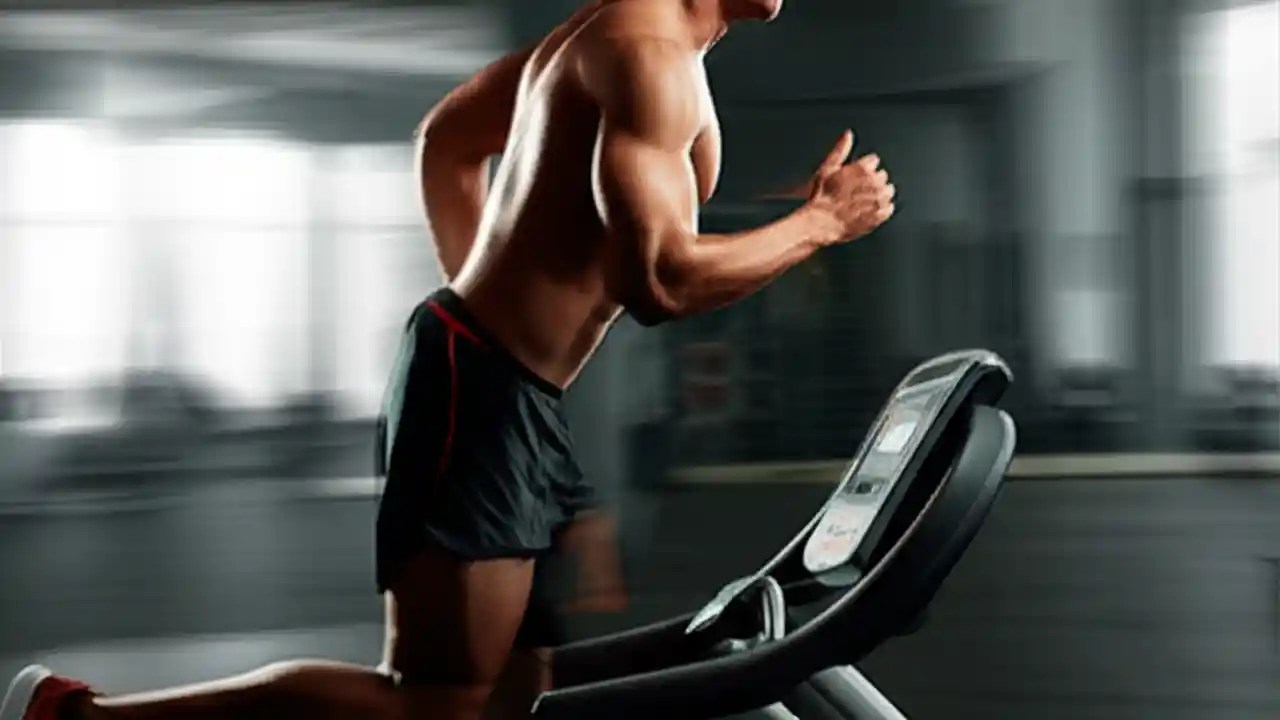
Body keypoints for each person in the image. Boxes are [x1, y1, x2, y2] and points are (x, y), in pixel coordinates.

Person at [0, 0, 895, 719]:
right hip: (484, 380)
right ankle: (78, 719)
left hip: (497, 377)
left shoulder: (626, 43)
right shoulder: (644, 49)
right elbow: (659, 280)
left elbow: (447, 145)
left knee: (500, 692)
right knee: (435, 703)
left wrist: (485, 307)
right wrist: (821, 225)